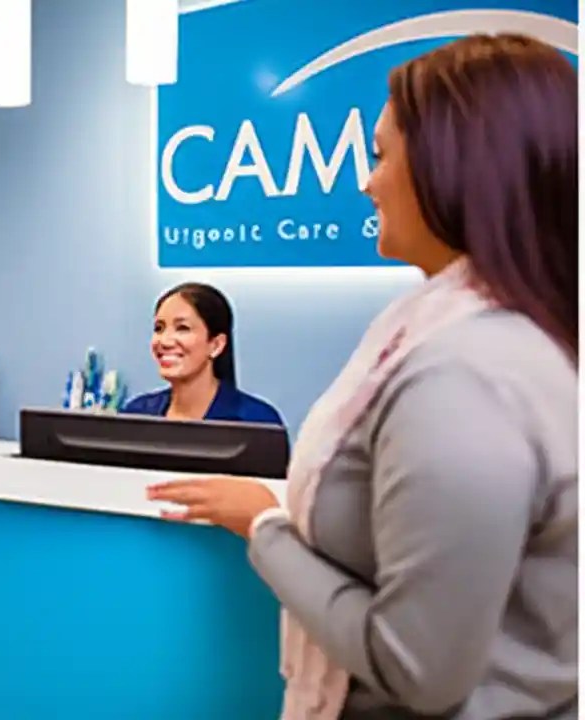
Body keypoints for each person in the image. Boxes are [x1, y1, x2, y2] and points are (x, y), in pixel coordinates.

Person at [148, 34, 577, 719]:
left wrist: (265, 527)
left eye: (380, 156)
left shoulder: (465, 377)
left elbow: (420, 671)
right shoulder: (470, 340)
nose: (366, 181)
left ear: (452, 169)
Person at [121, 282, 286, 432]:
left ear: (216, 345)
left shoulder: (257, 421)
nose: (164, 341)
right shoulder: (137, 413)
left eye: (182, 328)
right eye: (159, 328)